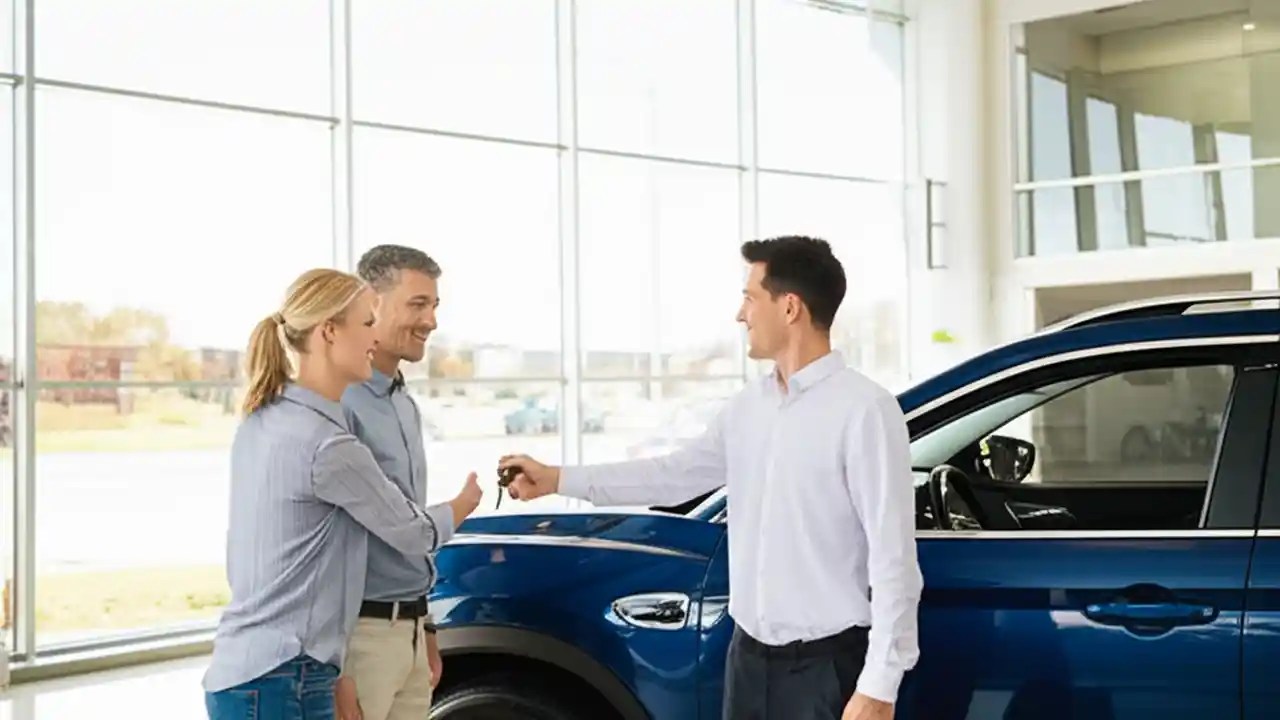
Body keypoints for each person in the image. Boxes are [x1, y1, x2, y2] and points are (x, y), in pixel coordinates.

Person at [500, 236, 922, 720]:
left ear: (789, 308)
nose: (740, 315)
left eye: (749, 297)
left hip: (826, 667)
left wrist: (879, 686)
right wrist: (556, 478)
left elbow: (894, 561)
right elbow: (672, 476)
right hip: (747, 660)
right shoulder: (748, 407)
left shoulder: (864, 410)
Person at [202, 268, 484, 720]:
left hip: (254, 669)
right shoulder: (329, 445)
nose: (373, 337)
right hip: (284, 676)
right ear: (328, 331)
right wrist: (465, 502)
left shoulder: (263, 419)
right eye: (366, 323)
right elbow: (412, 533)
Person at [335, 245, 453, 719]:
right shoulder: (339, 404)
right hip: (361, 639)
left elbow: (409, 532)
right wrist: (340, 665)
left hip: (408, 631)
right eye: (417, 304)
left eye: (435, 306)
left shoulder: (404, 404)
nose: (431, 322)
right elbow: (329, 546)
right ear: (371, 303)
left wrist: (424, 630)